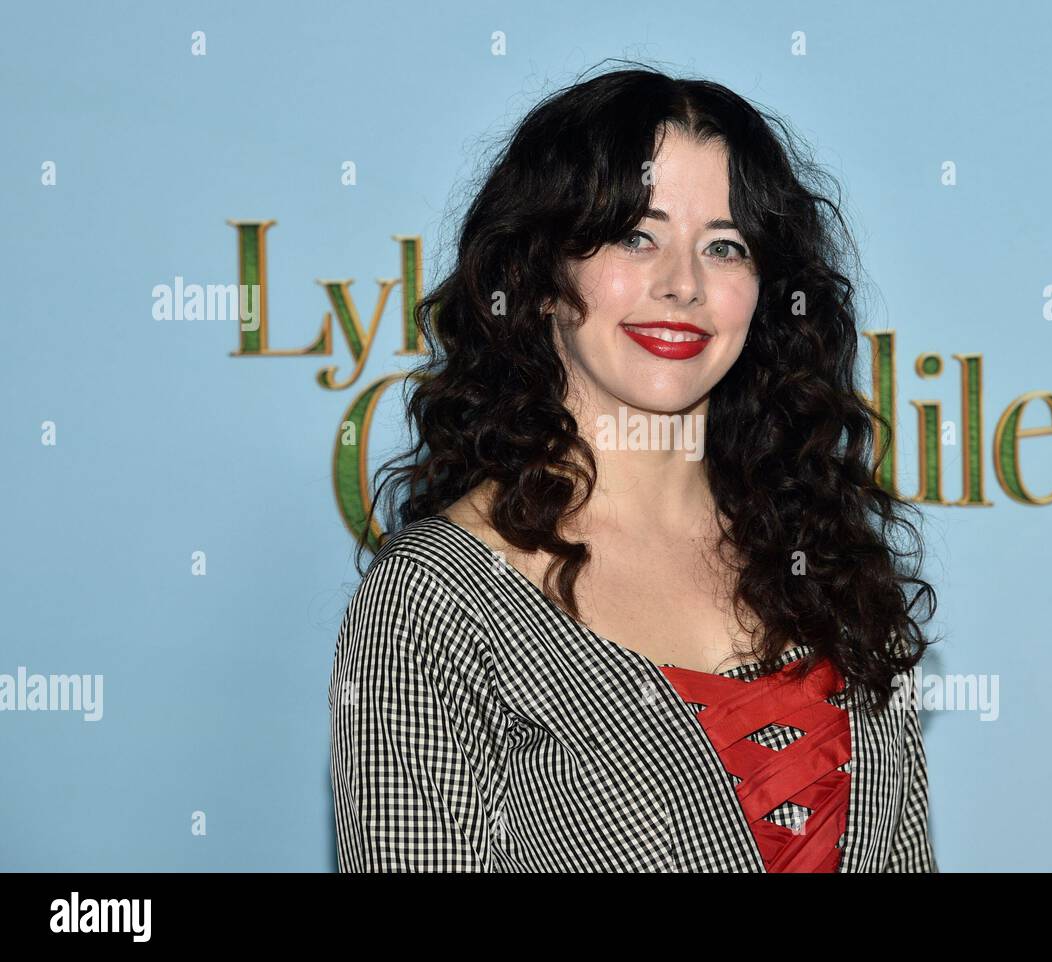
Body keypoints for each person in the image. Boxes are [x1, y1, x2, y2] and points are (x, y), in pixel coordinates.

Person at [329, 63, 941, 872]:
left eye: (725, 247)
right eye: (635, 236)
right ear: (543, 278)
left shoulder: (830, 562)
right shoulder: (439, 603)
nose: (682, 284)